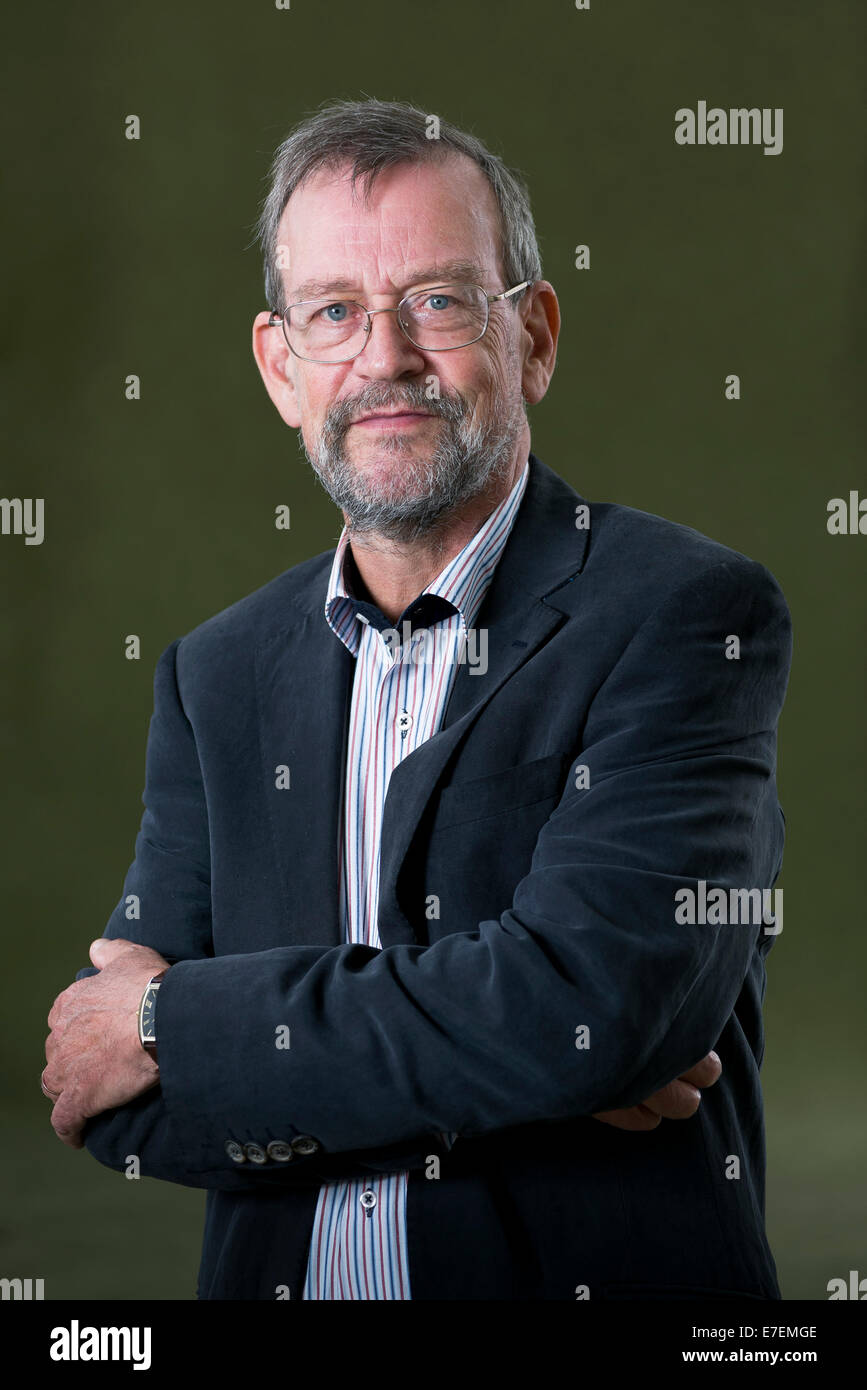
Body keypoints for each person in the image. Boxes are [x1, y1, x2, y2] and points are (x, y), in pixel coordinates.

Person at [43, 98, 791, 1301]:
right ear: (282, 368)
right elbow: (119, 1111)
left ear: (534, 335)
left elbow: (594, 1011)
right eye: (334, 312)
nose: (382, 358)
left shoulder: (687, 616)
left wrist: (175, 1025)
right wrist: (540, 1075)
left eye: (437, 302)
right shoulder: (212, 678)